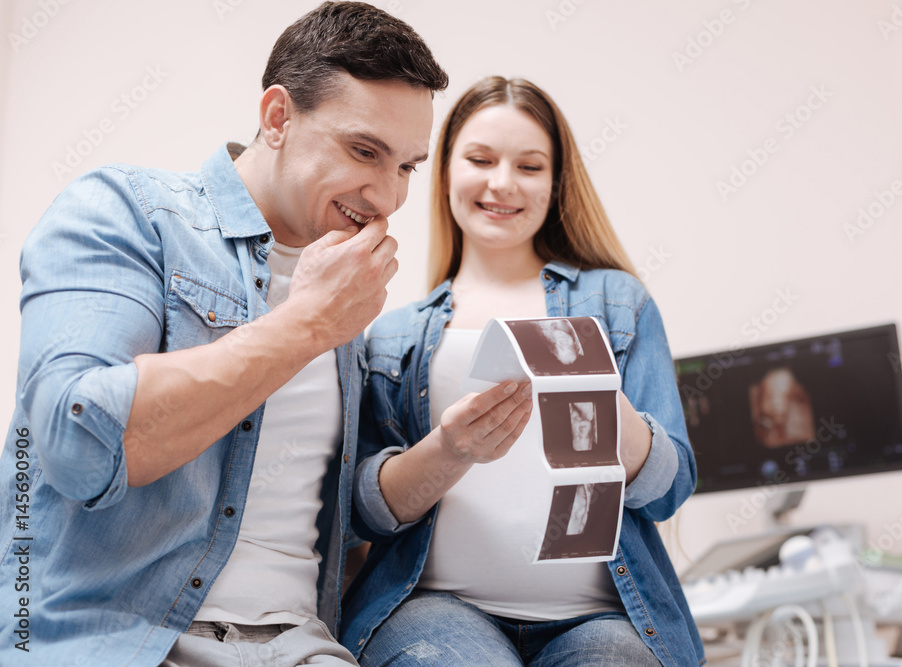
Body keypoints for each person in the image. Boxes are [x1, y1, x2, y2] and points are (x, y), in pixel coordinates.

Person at [0, 3, 447, 665]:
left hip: (303, 645)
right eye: (364, 151)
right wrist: (305, 323)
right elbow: (77, 444)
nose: (387, 194)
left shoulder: (344, 290)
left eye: (408, 166)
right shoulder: (125, 212)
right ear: (277, 117)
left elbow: (331, 514)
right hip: (116, 639)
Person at [343, 77, 704, 666]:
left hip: (602, 618)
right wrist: (449, 451)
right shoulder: (393, 334)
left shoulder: (617, 305)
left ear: (556, 181)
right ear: (446, 171)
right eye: (480, 159)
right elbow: (361, 515)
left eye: (530, 166)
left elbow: (671, 491)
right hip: (436, 607)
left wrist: (607, 409)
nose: (502, 183)